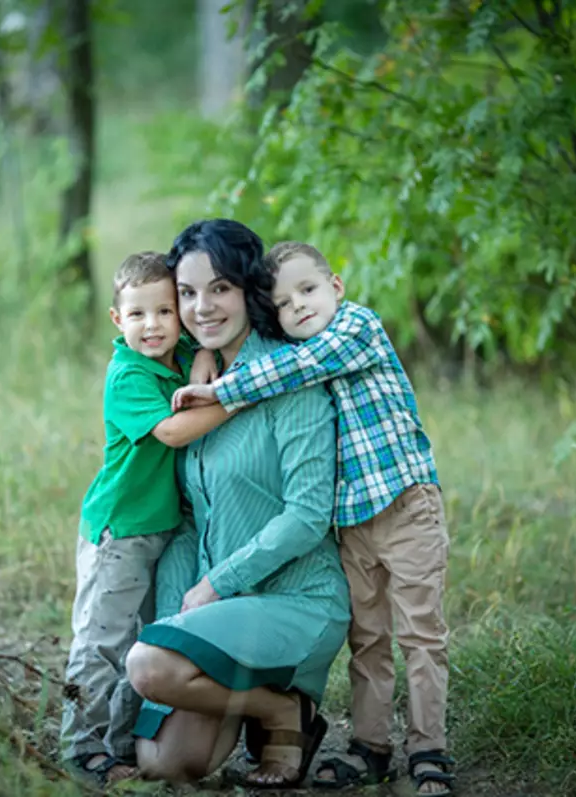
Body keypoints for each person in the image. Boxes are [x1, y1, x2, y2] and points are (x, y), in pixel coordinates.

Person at [172, 241, 455, 795]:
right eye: (282, 302)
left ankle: (429, 748)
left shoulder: (355, 331)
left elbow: (297, 366)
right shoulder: (297, 357)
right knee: (368, 638)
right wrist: (203, 353)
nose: (298, 306)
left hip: (405, 508)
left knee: (420, 634)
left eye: (308, 290)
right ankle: (371, 745)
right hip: (351, 521)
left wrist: (217, 388)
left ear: (337, 287)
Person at [123, 220, 352, 789]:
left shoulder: (288, 376)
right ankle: (263, 703)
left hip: (298, 600)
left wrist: (215, 587)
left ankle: (281, 709)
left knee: (148, 665)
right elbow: (189, 522)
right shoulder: (186, 384)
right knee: (167, 763)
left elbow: (307, 514)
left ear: (247, 288)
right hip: (219, 608)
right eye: (188, 293)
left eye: (220, 289)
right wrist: (178, 613)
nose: (203, 308)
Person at [59, 251, 226, 786]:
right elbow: (174, 433)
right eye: (137, 315)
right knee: (101, 640)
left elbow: (206, 343)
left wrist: (202, 353)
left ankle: (118, 742)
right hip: (121, 530)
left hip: (160, 526)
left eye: (163, 312)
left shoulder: (176, 351)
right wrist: (239, 399)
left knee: (141, 641)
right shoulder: (127, 375)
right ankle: (80, 746)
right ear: (117, 320)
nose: (151, 326)